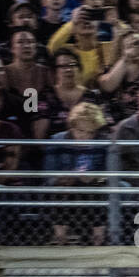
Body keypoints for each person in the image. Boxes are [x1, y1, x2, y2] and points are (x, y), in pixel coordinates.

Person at [42, 100, 108, 246]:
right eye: (80, 131)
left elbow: (110, 172)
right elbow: (49, 175)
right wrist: (62, 179)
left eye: (90, 132)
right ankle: (61, 239)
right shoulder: (57, 141)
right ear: (72, 127)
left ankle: (98, 239)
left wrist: (96, 178)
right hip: (66, 188)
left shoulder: (104, 142)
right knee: (61, 191)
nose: (85, 136)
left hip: (93, 188)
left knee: (98, 191)